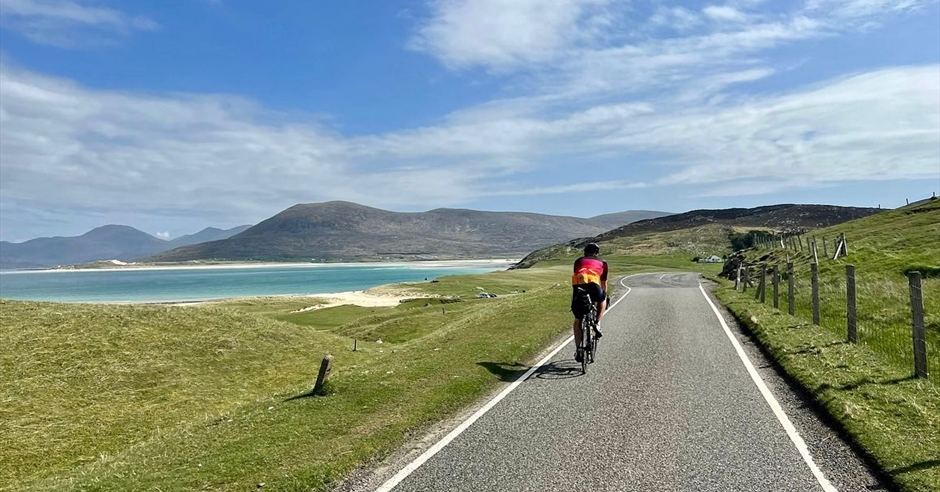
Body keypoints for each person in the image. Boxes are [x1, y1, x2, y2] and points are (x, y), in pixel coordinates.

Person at [571, 242, 609, 363]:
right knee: (602, 298)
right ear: (597, 253)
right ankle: (597, 323)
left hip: (578, 287)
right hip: (594, 285)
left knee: (578, 320)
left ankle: (579, 349)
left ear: (585, 252)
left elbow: (576, 275)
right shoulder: (602, 263)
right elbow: (604, 283)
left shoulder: (578, 261)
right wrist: (604, 294)